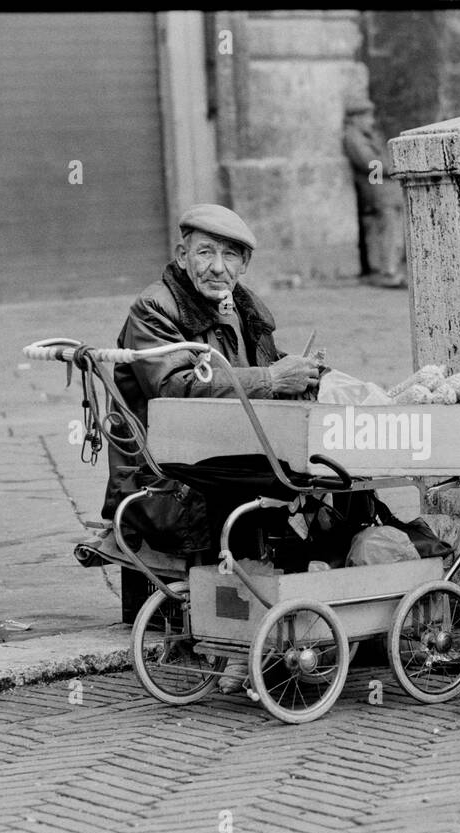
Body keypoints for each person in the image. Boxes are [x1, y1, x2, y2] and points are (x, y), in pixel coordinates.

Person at [102, 203, 321, 693]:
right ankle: (238, 643)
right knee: (259, 493)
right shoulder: (154, 309)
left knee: (333, 477)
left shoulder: (243, 307)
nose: (217, 266)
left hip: (223, 453)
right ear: (182, 256)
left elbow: (268, 371)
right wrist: (269, 379)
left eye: (229, 255)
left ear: (244, 266)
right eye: (205, 252)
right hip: (168, 469)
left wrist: (303, 375)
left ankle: (314, 611)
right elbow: (175, 387)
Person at [342, 94, 406, 288]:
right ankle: (385, 271)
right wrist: (390, 168)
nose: (370, 120)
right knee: (385, 232)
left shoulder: (370, 136)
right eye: (366, 116)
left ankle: (392, 269)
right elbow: (370, 163)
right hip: (377, 193)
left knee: (394, 232)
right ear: (356, 118)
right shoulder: (353, 138)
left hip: (387, 192)